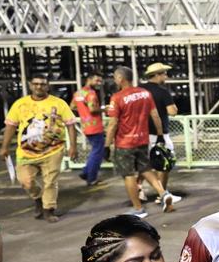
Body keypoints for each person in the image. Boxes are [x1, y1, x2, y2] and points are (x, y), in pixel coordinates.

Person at [1, 74, 78, 222]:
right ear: (30, 85)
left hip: (53, 150)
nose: (39, 87)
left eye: (42, 84)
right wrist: (4, 147)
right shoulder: (20, 104)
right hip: (26, 152)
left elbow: (70, 124)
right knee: (26, 181)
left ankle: (48, 209)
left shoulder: (59, 103)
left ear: (48, 86)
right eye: (36, 84)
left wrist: (73, 146)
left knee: (50, 181)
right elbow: (11, 125)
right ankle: (38, 198)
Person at [105, 66, 178, 218]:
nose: (114, 80)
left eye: (115, 77)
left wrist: (107, 145)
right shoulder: (145, 94)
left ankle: (138, 208)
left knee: (129, 175)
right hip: (143, 140)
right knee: (145, 169)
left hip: (125, 143)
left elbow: (113, 124)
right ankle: (163, 193)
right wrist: (159, 134)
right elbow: (155, 115)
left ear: (120, 79)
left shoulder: (117, 97)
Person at [141, 62, 180, 193]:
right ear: (157, 75)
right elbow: (172, 111)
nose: (166, 76)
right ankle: (162, 194)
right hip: (159, 134)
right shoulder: (163, 92)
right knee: (164, 163)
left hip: (140, 134)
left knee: (143, 166)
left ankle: (140, 191)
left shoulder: (139, 90)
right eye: (164, 73)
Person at [73, 70, 107, 186]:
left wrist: (83, 112)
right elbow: (93, 110)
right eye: (97, 80)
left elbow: (72, 106)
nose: (99, 83)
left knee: (94, 150)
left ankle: (86, 171)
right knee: (97, 152)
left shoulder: (78, 93)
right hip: (95, 125)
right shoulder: (91, 94)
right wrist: (104, 109)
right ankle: (91, 177)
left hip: (85, 125)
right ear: (89, 79)